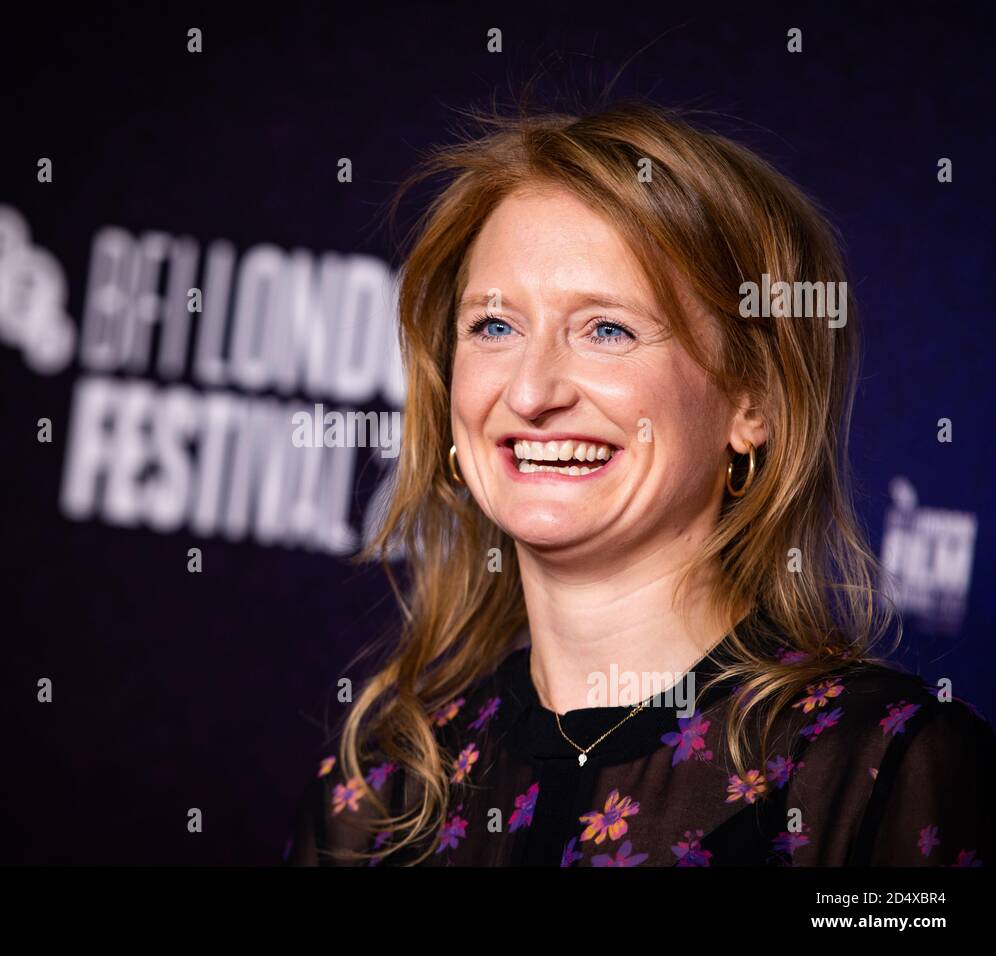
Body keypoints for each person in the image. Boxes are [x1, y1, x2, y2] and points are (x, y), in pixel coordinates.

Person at [281, 101, 995, 867]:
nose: (530, 393)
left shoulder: (880, 768)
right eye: (494, 327)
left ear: (752, 401)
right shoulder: (384, 792)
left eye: (607, 330)